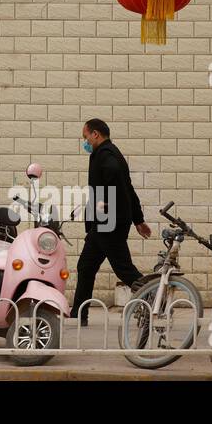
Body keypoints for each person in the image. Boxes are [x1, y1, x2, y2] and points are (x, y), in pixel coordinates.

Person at [69, 118, 151, 325]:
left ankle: (151, 297)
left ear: (95, 134)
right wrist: (138, 220)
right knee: (85, 267)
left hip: (108, 223)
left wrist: (104, 201)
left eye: (85, 136)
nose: (85, 141)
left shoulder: (106, 155)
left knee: (124, 269)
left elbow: (116, 180)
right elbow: (129, 189)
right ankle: (79, 315)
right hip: (105, 224)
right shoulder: (110, 153)